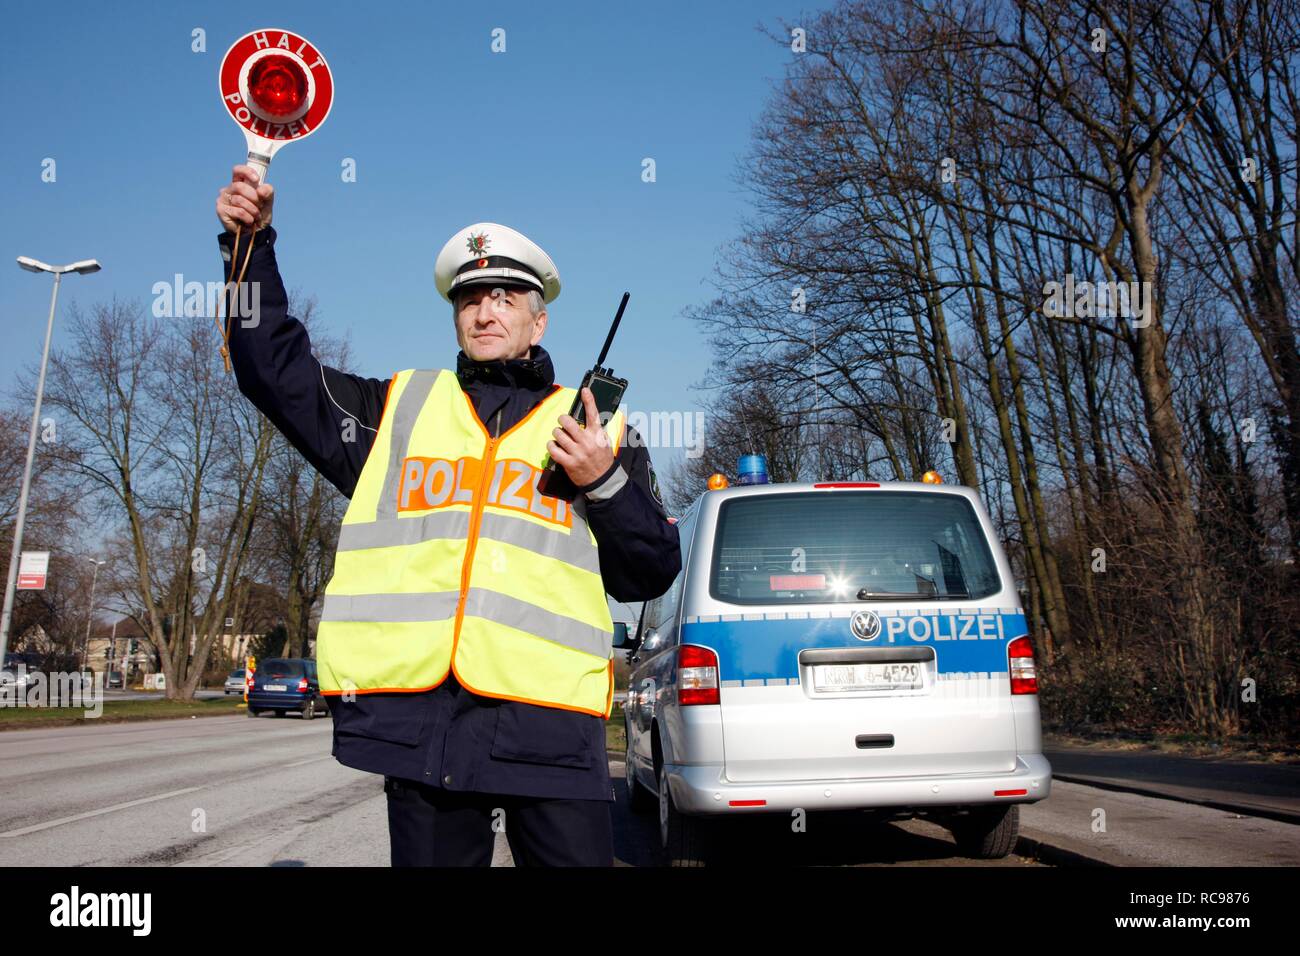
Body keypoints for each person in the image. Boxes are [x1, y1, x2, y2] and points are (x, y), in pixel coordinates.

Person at [214, 165, 680, 866]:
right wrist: (251, 246)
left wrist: (603, 480)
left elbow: (649, 571)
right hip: (426, 724)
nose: (485, 311)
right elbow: (271, 370)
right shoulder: (396, 409)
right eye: (470, 299)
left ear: (537, 317)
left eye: (504, 297)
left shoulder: (596, 428)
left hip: (550, 727)